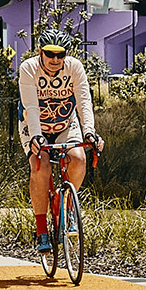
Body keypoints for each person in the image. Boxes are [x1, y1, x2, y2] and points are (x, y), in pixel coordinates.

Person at [17, 42, 98, 252]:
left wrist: (89, 131)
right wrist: (36, 136)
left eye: (60, 55)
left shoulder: (74, 67)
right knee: (40, 164)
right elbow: (31, 107)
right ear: (40, 53)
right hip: (34, 125)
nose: (55, 60)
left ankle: (68, 208)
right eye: (50, 54)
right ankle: (42, 230)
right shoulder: (28, 68)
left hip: (65, 123)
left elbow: (83, 101)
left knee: (79, 158)